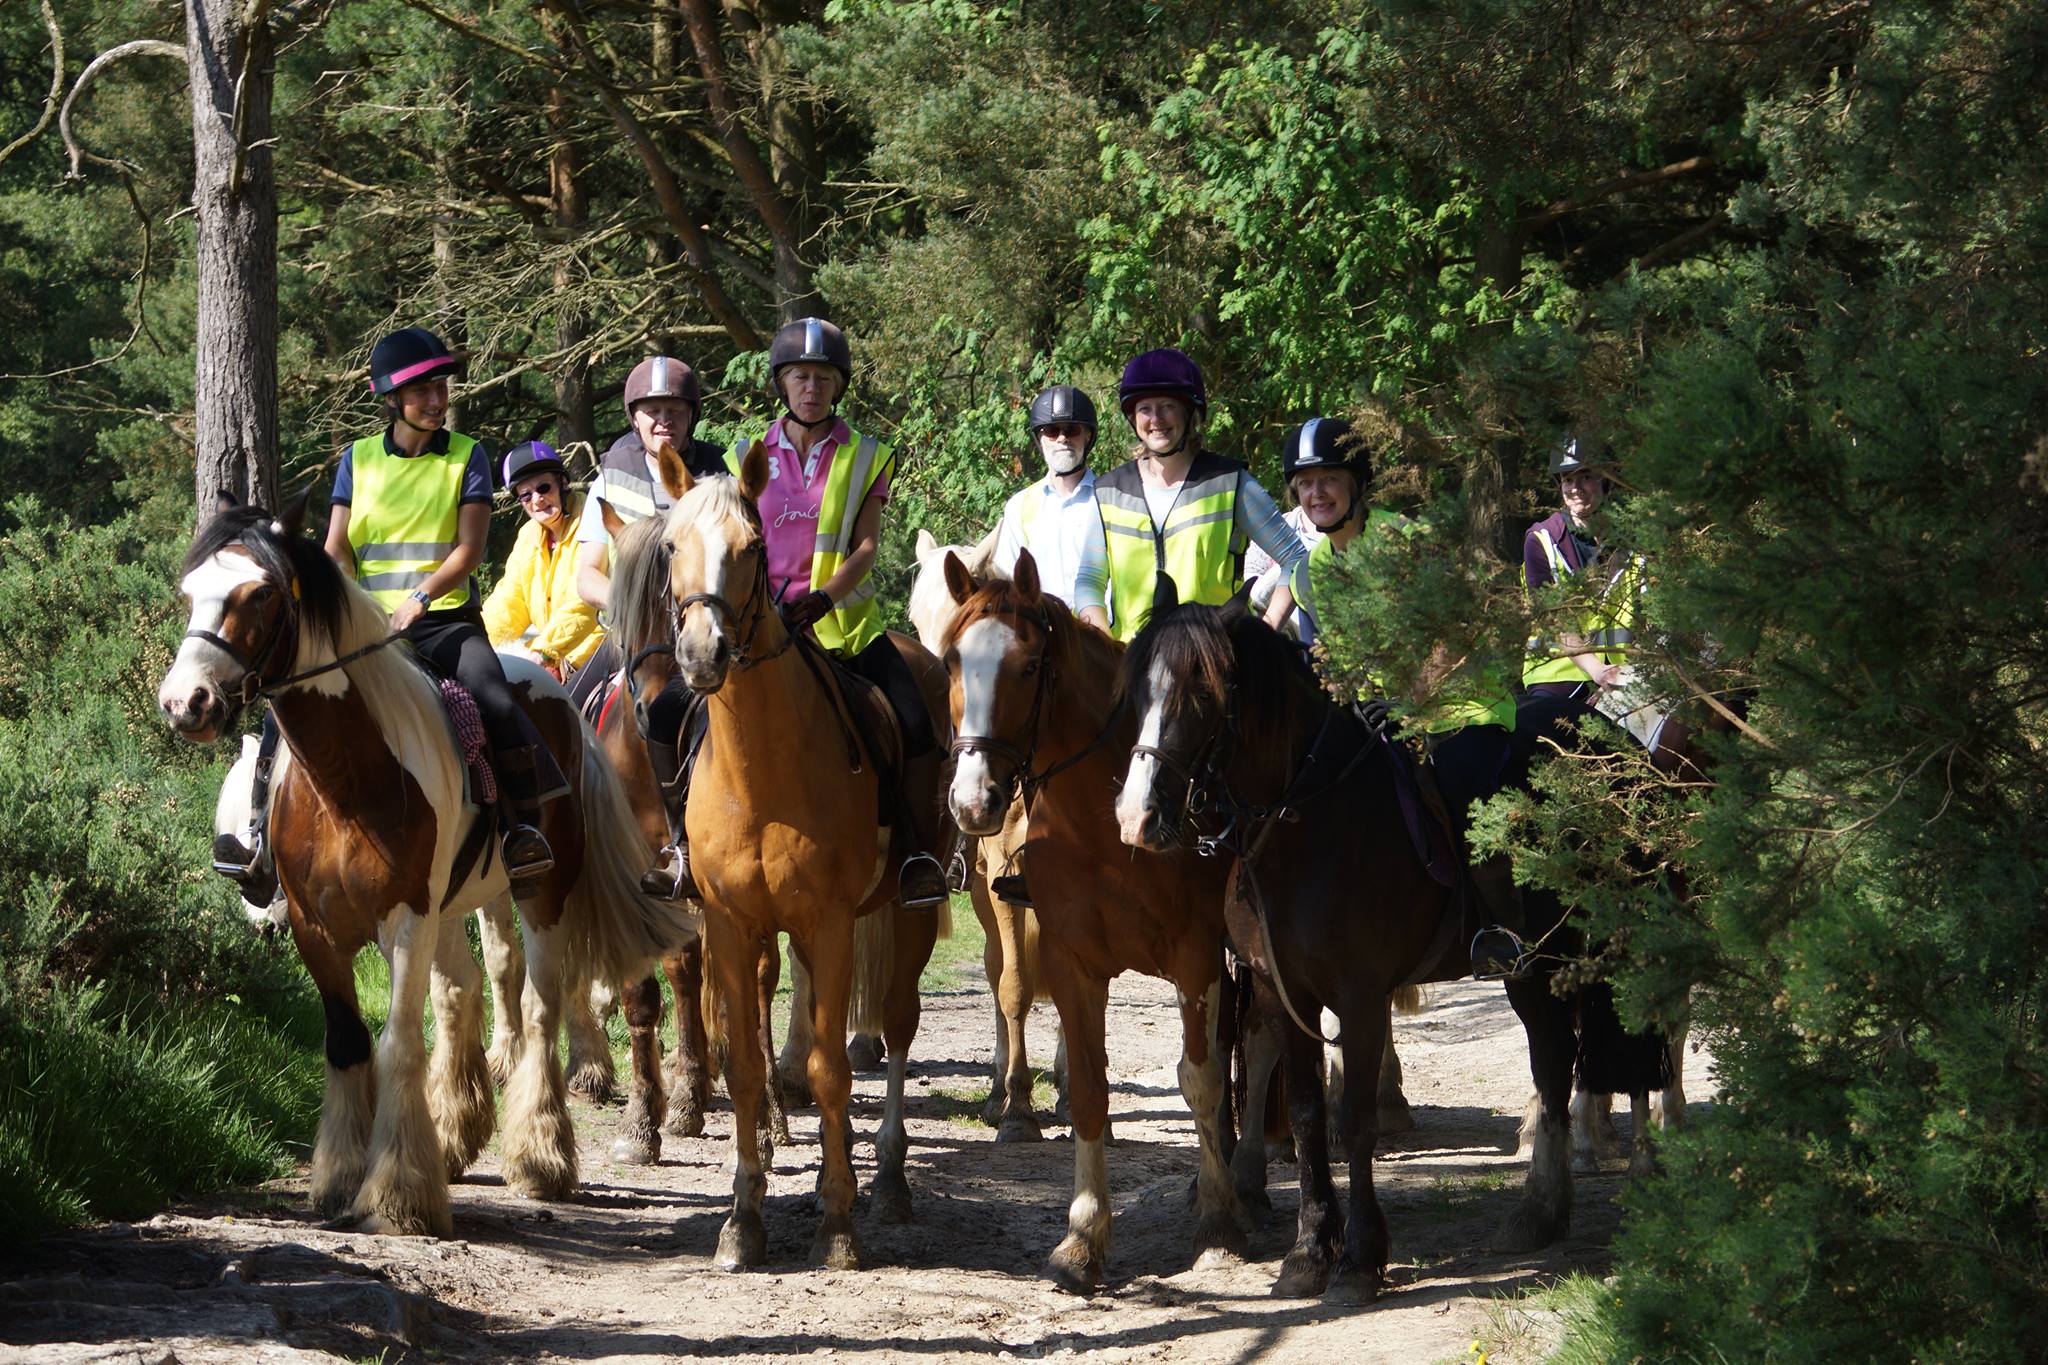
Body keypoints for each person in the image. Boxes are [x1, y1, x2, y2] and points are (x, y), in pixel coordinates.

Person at [213, 326, 555, 903]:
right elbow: (339, 545)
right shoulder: (358, 459)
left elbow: (468, 549)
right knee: (285, 697)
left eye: (441, 387)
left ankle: (522, 830)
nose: (437, 399)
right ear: (393, 399)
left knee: (494, 696)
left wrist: (419, 599)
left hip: (443, 620)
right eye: (422, 390)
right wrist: (333, 596)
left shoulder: (467, 455)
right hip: (367, 625)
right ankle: (256, 838)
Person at [699, 316, 949, 911]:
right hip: (759, 626)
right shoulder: (745, 456)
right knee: (688, 720)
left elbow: (866, 546)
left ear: (838, 385)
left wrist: (824, 597)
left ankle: (916, 854)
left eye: (822, 377)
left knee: (915, 725)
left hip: (845, 627)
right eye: (799, 376)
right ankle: (687, 849)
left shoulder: (868, 454)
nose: (811, 387)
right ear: (781, 384)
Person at [1287, 416, 1524, 977]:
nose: (1316, 493)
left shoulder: (1408, 543)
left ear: (1357, 483)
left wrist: (1405, 706)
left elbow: (1455, 638)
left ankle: (1504, 929)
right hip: (1381, 719)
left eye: (1329, 479)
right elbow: (1327, 668)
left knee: (1459, 785)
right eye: (1305, 482)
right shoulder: (1309, 574)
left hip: (1461, 709)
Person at [562, 356, 728, 900]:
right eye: (652, 412)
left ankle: (696, 840)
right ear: (634, 418)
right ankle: (567, 843)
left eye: (674, 411)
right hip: (635, 636)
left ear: (691, 417)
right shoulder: (610, 478)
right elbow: (587, 574)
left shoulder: (716, 475)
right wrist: (631, 604)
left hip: (701, 633)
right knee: (567, 714)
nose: (664, 421)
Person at [1073, 347, 1307, 640]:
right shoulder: (1108, 491)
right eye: (1145, 408)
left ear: (1189, 412)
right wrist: (1104, 643)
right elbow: (1089, 580)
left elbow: (1296, 558)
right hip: (1135, 662)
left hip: (1214, 661)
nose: (1156, 418)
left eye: (1167, 406)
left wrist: (1266, 629)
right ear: (1133, 417)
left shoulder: (1230, 483)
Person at [990, 384, 1113, 625]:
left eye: (1072, 429)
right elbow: (1007, 580)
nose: (1062, 438)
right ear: (1039, 438)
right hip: (1044, 642)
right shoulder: (1019, 506)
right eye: (1052, 430)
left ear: (1088, 435)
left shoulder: (1111, 498)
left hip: (1103, 641)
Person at [482, 440, 603, 681]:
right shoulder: (528, 536)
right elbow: (509, 604)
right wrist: (474, 640)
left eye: (544, 487)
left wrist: (545, 652)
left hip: (595, 652)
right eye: (525, 495)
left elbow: (583, 605)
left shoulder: (593, 521)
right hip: (551, 657)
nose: (536, 499)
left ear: (563, 483)